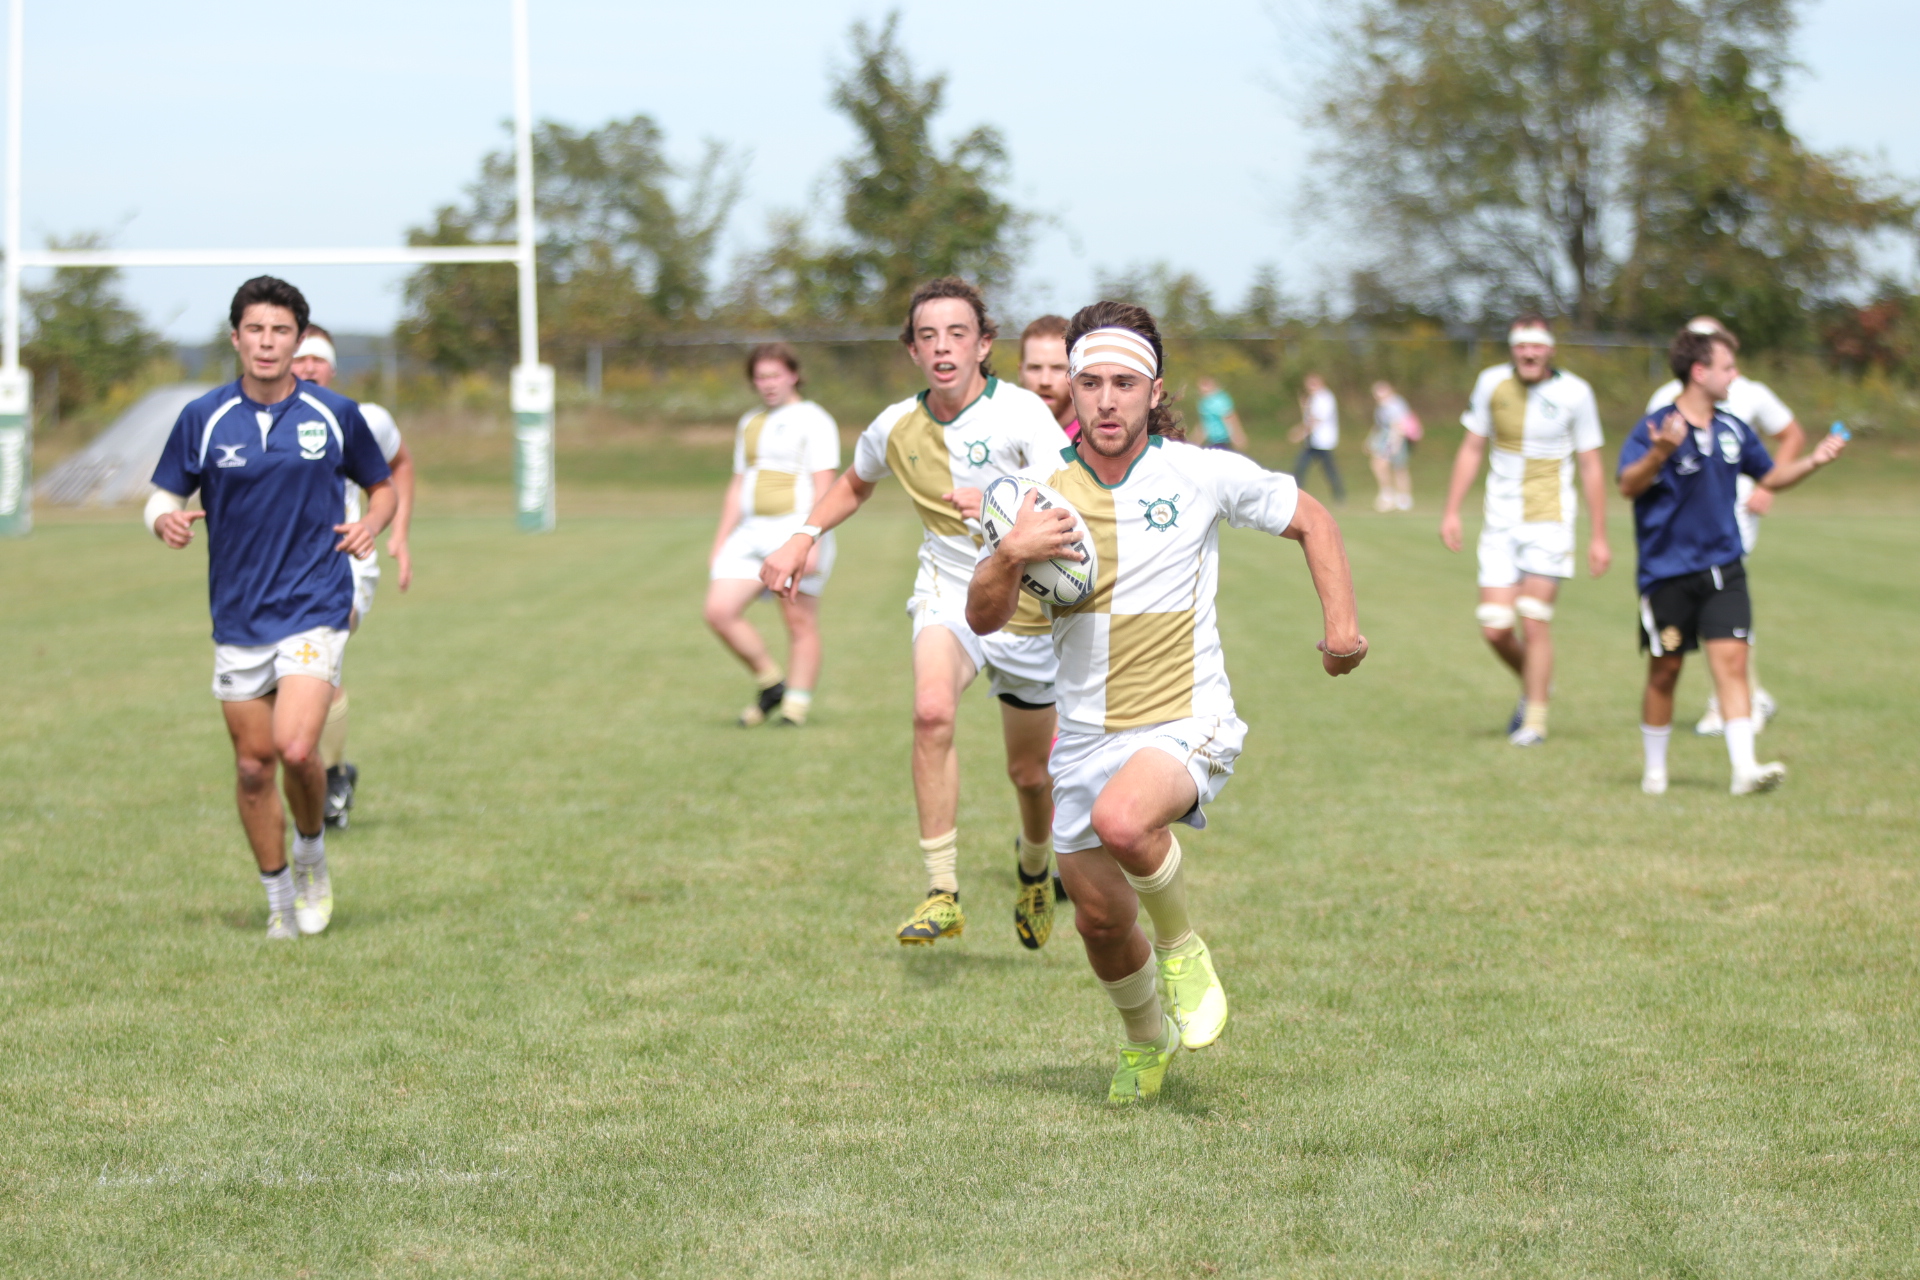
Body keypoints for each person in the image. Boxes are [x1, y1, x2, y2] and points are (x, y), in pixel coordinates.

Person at [967, 300, 1366, 1104]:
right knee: (1100, 924)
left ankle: (1184, 950)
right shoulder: (1037, 496)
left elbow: (1314, 519)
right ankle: (1147, 1039)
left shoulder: (1199, 472)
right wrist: (1010, 553)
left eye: (1125, 383)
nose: (1107, 400)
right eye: (1091, 383)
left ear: (1154, 393)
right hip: (1085, 735)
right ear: (1072, 392)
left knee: (1124, 822)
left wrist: (1342, 630)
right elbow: (983, 618)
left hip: (1188, 718)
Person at [761, 278, 1073, 950]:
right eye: (928, 336)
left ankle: (1034, 866)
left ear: (983, 345)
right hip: (949, 591)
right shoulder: (895, 425)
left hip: (1025, 607)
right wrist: (802, 536)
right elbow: (854, 482)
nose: (942, 347)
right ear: (912, 350)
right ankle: (942, 891)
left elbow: (1067, 492)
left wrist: (999, 497)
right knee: (931, 712)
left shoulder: (1021, 413)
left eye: (958, 334)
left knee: (1029, 774)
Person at [144, 277, 395, 938]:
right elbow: (163, 495)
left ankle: (311, 853)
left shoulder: (334, 414)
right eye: (255, 329)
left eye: (280, 331)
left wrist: (373, 524)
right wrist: (162, 521)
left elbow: (382, 485)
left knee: (295, 746)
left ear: (297, 340)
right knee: (254, 766)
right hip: (238, 617)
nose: (267, 342)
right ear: (236, 338)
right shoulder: (203, 417)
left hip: (315, 604)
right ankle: (280, 895)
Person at [1618, 325, 1845, 795]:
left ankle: (1744, 769)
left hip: (1724, 567)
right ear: (1700, 372)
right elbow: (1628, 485)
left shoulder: (1732, 428)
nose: (1734, 376)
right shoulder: (1656, 427)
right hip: (1667, 574)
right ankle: (1655, 771)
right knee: (1666, 671)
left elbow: (1770, 476)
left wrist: (1814, 462)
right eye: (1727, 367)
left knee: (1733, 663)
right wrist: (1660, 453)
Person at [1439, 315, 1611, 746]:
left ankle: (1534, 720)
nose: (1528, 353)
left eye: (1536, 345)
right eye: (1520, 346)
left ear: (1550, 349)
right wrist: (1452, 510)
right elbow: (1472, 447)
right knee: (1495, 627)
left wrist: (1599, 535)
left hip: (1549, 521)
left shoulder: (1576, 393)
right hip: (1499, 522)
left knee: (1534, 621)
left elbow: (1591, 465)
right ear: (1512, 349)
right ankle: (1537, 682)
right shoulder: (1491, 383)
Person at [1644, 317, 1804, 736]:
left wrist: (1767, 486)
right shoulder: (1665, 398)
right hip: (1682, 525)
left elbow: (1791, 434)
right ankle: (1750, 695)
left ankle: (1729, 702)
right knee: (1708, 607)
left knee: (1725, 599)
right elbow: (1649, 457)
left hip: (1735, 514)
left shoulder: (1749, 392)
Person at [288, 325, 414, 827]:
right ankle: (333, 771)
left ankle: (331, 781)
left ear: (333, 368)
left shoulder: (364, 419)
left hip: (348, 564)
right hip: (284, 572)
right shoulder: (262, 424)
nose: (307, 366)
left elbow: (400, 463)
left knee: (322, 654)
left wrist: (397, 532)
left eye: (317, 358)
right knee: (294, 676)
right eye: (299, 358)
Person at [706, 343, 840, 727]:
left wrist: (811, 541)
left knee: (798, 621)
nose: (767, 384)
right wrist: (720, 540)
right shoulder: (750, 421)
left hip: (793, 530)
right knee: (719, 611)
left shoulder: (814, 419)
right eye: (760, 377)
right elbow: (738, 483)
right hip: (750, 532)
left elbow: (825, 484)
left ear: (793, 375)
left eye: (775, 375)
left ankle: (795, 707)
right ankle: (771, 683)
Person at [1019, 314, 1079, 443]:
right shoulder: (1002, 439)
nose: (1044, 381)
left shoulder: (1094, 446)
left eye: (1057, 368)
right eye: (1035, 368)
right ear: (1020, 372)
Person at [1289, 373, 1344, 501]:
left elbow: (1316, 420)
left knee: (1329, 470)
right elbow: (1309, 417)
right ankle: (1296, 495)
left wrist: (1300, 433)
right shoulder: (1314, 398)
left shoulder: (1325, 398)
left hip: (1324, 441)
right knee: (1300, 468)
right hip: (1313, 441)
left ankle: (1339, 495)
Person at [1368, 380, 1416, 511]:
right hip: (1385, 439)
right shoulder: (1380, 406)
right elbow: (1378, 426)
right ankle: (1388, 494)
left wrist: (1395, 444)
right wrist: (1370, 441)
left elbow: (1399, 426)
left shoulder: (1396, 404)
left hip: (1396, 439)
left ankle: (1403, 498)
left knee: (1399, 468)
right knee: (1379, 465)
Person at [1194, 375, 1249, 450]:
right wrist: (1196, 440)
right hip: (1212, 439)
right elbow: (1204, 423)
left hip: (1223, 439)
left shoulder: (1220, 400)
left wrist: (1237, 435)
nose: (1203, 388)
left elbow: (1229, 417)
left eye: (1206, 385)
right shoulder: (1203, 402)